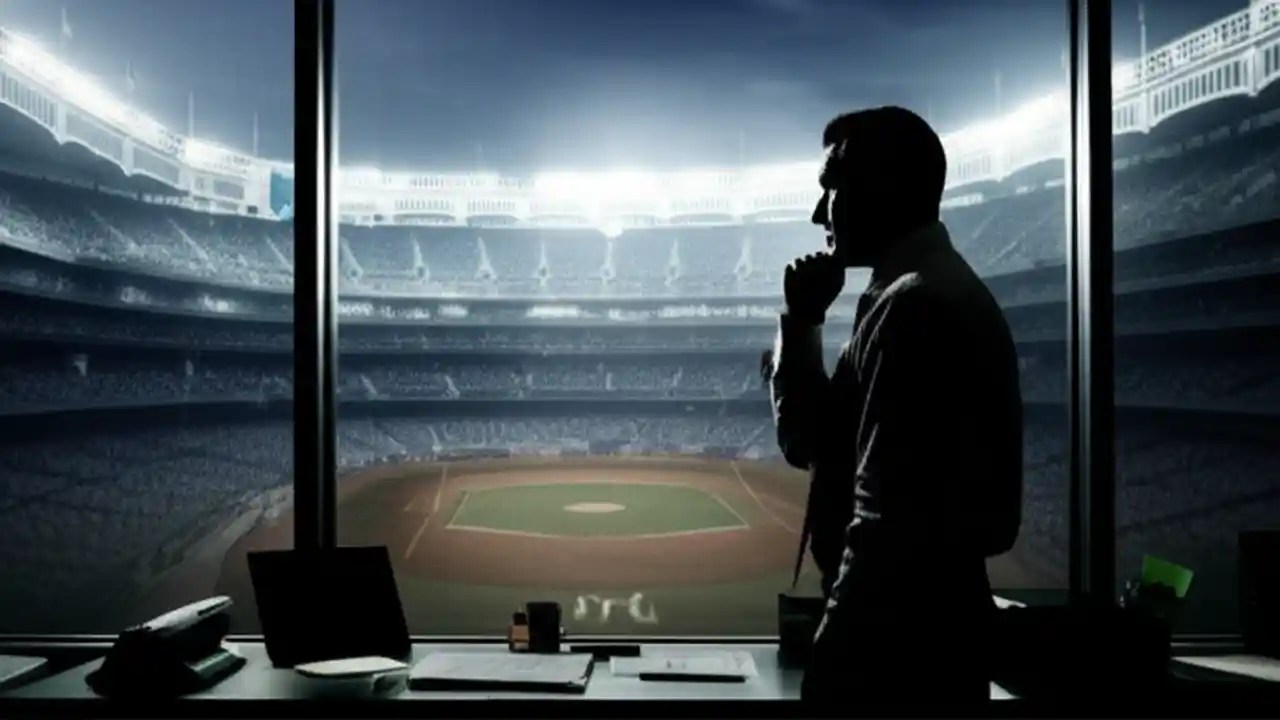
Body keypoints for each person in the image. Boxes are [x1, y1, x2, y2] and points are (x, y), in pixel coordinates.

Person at [766, 106, 1023, 706]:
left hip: (896, 651)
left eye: (833, 188)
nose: (817, 213)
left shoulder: (916, 306)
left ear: (883, 186)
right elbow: (813, 441)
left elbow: (887, 531)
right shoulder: (908, 294)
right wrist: (803, 322)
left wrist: (835, 664)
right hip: (927, 634)